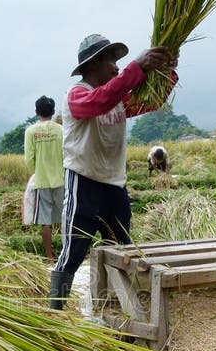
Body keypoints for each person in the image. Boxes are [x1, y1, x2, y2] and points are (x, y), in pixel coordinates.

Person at [50, 33, 178, 309]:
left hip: (114, 188)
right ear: (93, 64)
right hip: (83, 184)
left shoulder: (117, 97)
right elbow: (101, 101)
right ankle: (55, 313)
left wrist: (167, 71)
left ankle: (118, 310)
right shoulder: (77, 96)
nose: (116, 67)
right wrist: (138, 67)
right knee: (72, 254)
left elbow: (150, 101)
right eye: (111, 60)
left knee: (122, 251)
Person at [24, 95, 64, 263]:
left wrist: (36, 172)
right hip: (61, 180)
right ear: (53, 112)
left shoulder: (31, 131)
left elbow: (29, 158)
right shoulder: (61, 130)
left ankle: (49, 257)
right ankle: (66, 253)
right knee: (65, 218)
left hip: (42, 181)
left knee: (45, 221)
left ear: (36, 112)